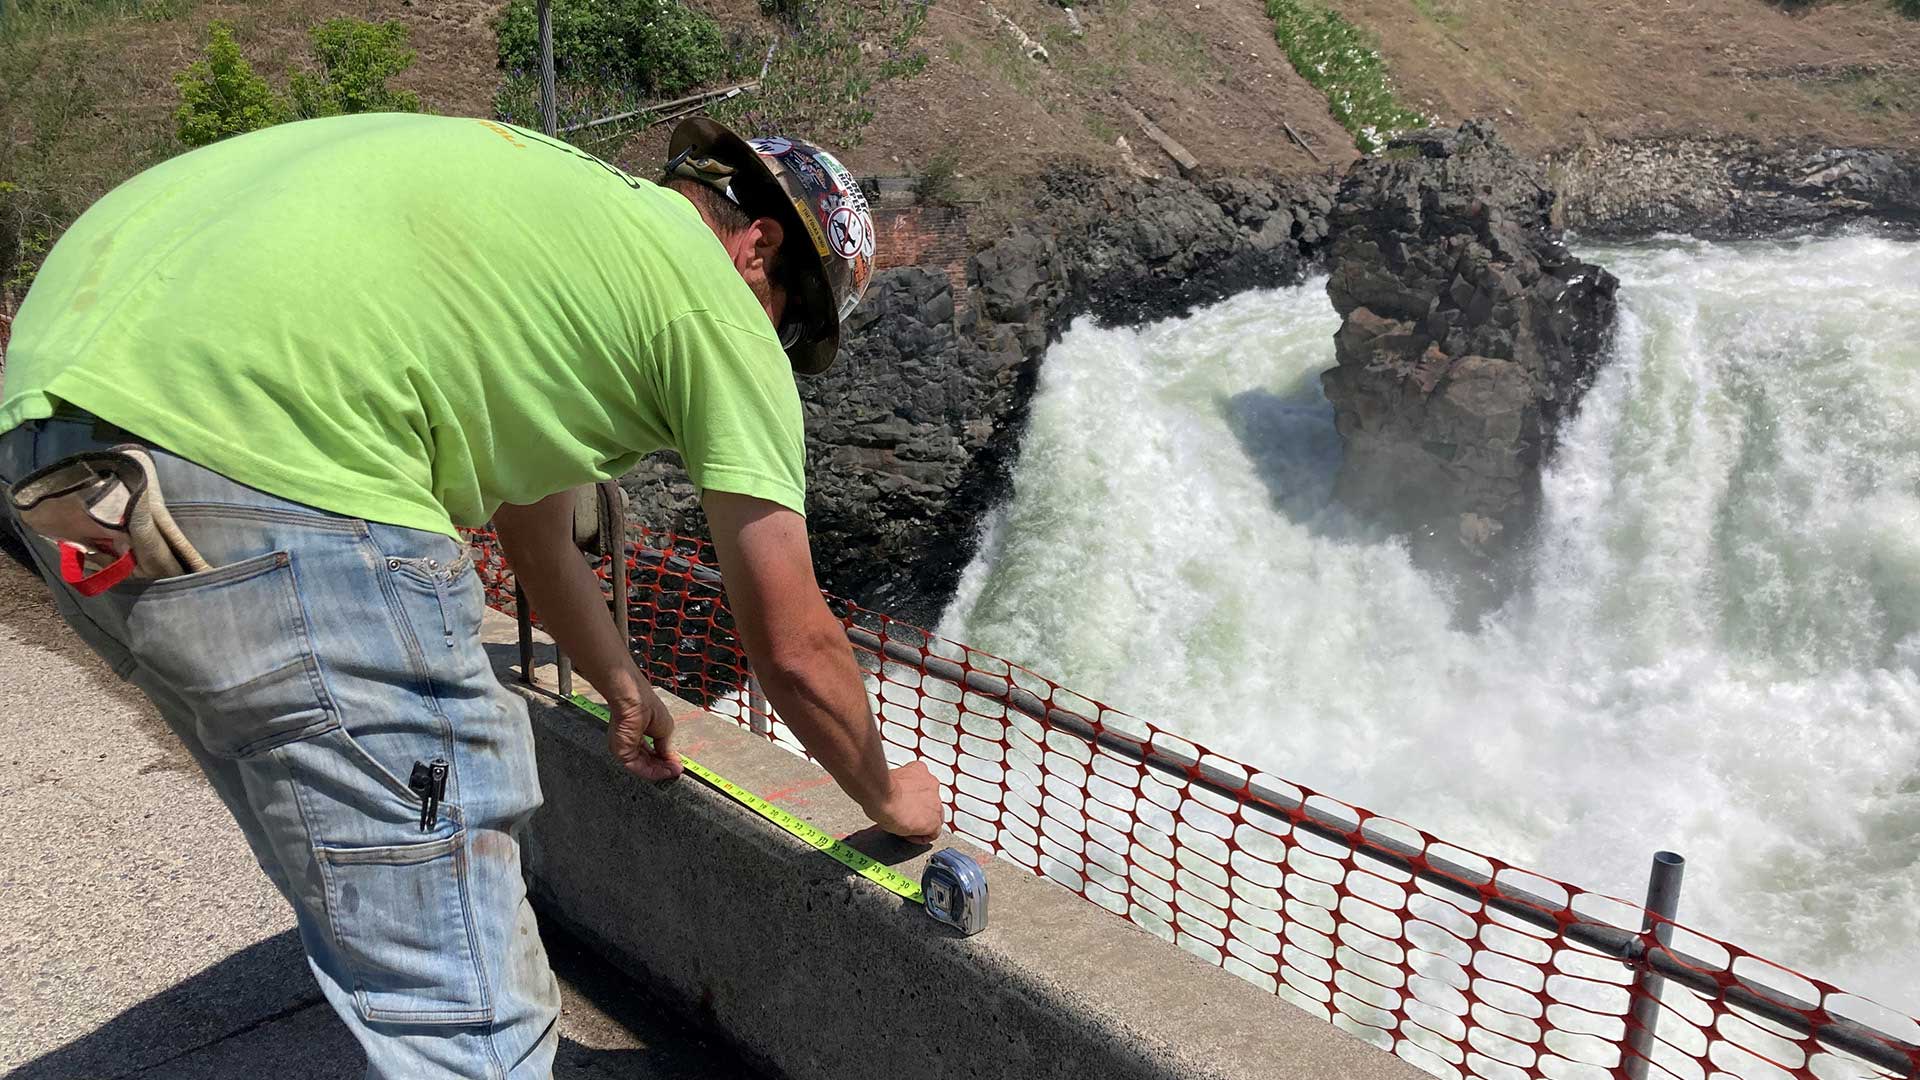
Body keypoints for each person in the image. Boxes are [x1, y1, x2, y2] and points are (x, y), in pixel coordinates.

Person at [0, 112, 942, 1078]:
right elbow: (792, 640)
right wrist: (887, 793)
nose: (777, 343)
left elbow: (531, 520)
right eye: (794, 320)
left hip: (62, 448)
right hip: (266, 459)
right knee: (457, 998)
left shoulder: (572, 229)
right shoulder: (716, 308)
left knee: (378, 901)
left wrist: (622, 685)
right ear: (760, 245)